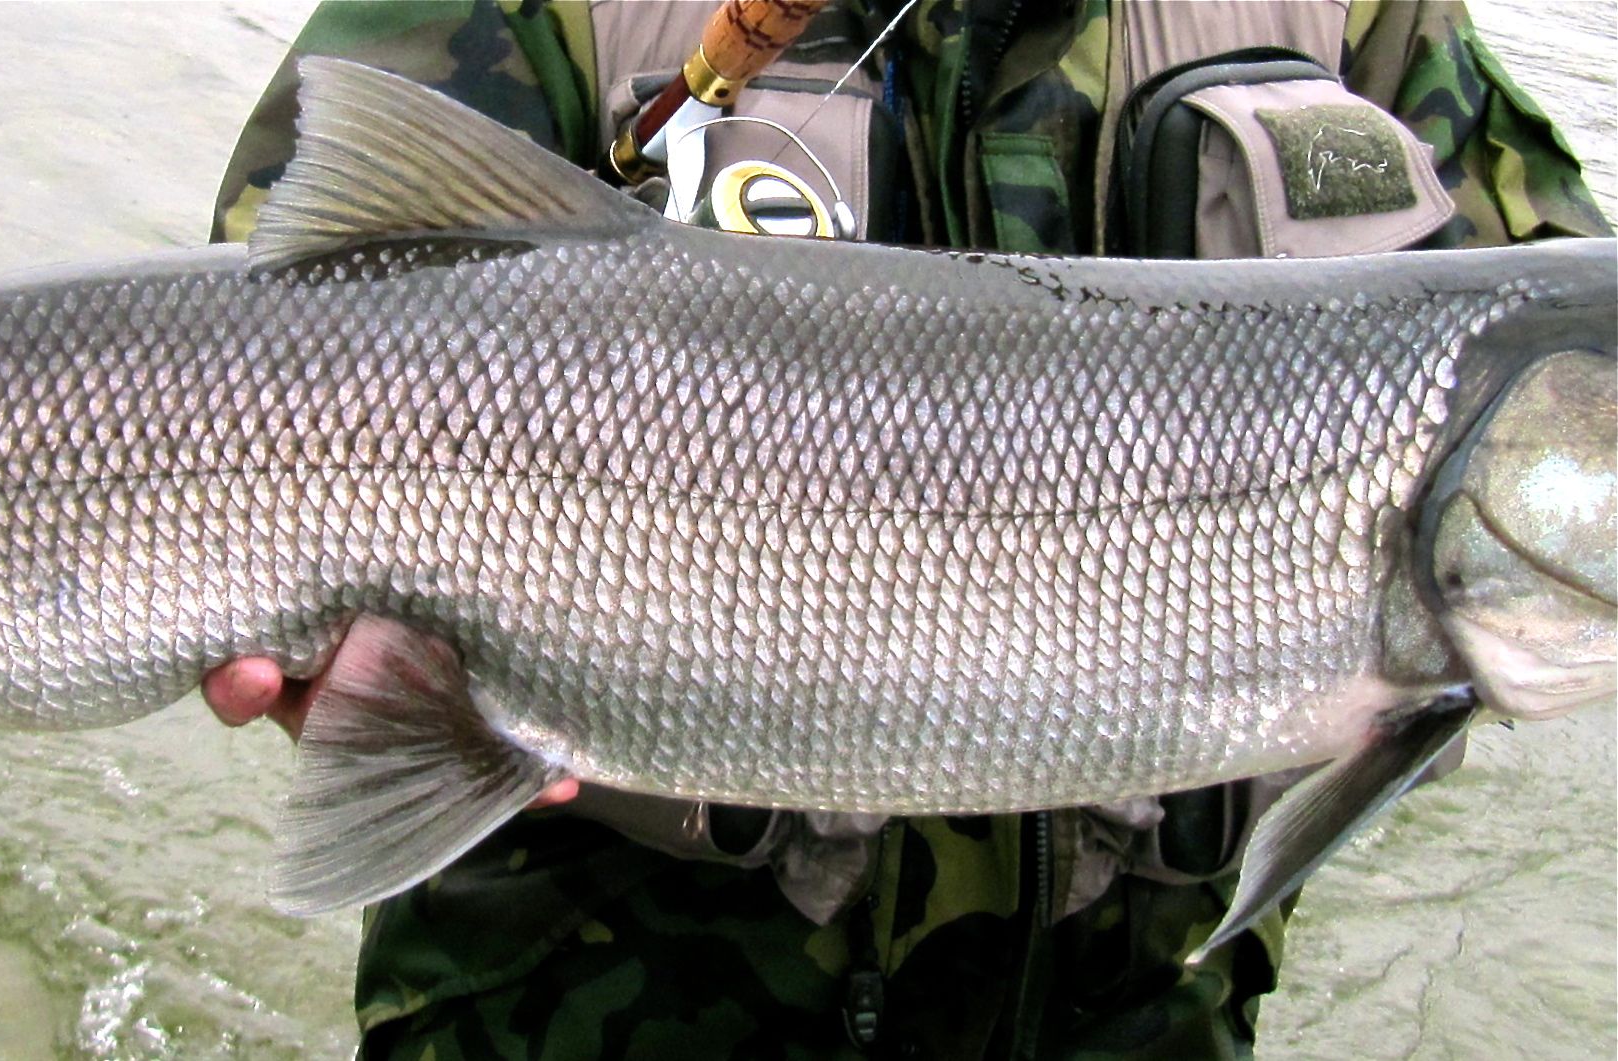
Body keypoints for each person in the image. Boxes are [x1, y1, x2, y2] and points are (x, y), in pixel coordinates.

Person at [204, 2, 1609, 1057]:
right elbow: (282, 284)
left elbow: (1546, 267)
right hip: (588, 996)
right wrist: (334, 630)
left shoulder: (1362, 12)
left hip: (1128, 1014)